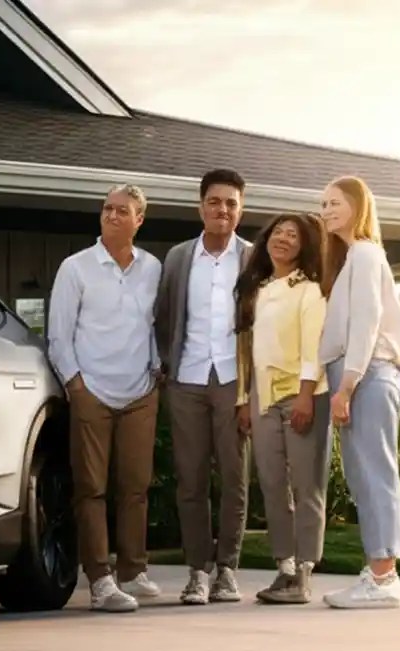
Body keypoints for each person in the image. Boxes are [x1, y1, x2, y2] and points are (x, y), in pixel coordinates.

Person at [47, 183, 163, 612]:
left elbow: (153, 325)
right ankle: (100, 580)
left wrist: (155, 374)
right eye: (107, 209)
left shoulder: (152, 268)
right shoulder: (75, 268)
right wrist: (76, 386)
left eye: (122, 211)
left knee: (135, 488)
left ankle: (133, 570)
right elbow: (59, 333)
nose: (113, 216)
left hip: (140, 393)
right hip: (91, 390)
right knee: (90, 488)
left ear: (139, 220)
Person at [155, 168, 253, 605]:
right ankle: (197, 571)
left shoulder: (253, 258)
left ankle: (228, 569)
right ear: (201, 206)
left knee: (234, 477)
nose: (223, 210)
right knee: (191, 480)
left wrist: (252, 391)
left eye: (231, 203)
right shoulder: (178, 258)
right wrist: (165, 365)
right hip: (187, 379)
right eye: (215, 202)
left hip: (234, 381)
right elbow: (162, 317)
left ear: (240, 209)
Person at [316, 175, 400, 609]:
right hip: (358, 375)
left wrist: (347, 384)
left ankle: (383, 579)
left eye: (335, 202)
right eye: (323, 204)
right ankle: (378, 572)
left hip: (368, 375)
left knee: (375, 473)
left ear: (358, 206)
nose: (327, 210)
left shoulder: (367, 254)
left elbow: (367, 323)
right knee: (363, 475)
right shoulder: (353, 257)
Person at [233, 212, 333, 604]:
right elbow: (246, 351)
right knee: (272, 484)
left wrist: (307, 394)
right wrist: (244, 400)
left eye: (294, 235)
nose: (284, 239)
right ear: (267, 240)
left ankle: (305, 573)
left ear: (305, 246)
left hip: (303, 393)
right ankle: (285, 569)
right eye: (279, 232)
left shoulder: (309, 290)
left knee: (306, 485)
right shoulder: (256, 289)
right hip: (262, 396)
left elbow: (314, 347)